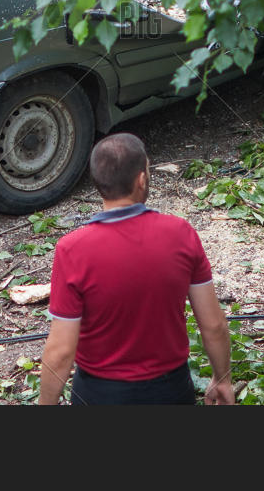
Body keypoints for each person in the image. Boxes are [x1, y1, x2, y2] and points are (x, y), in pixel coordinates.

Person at [37, 132, 235, 405]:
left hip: (99, 394)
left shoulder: (71, 250)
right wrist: (222, 379)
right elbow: (213, 325)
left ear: (98, 184)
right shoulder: (181, 233)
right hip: (170, 390)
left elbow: (60, 352)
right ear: (141, 179)